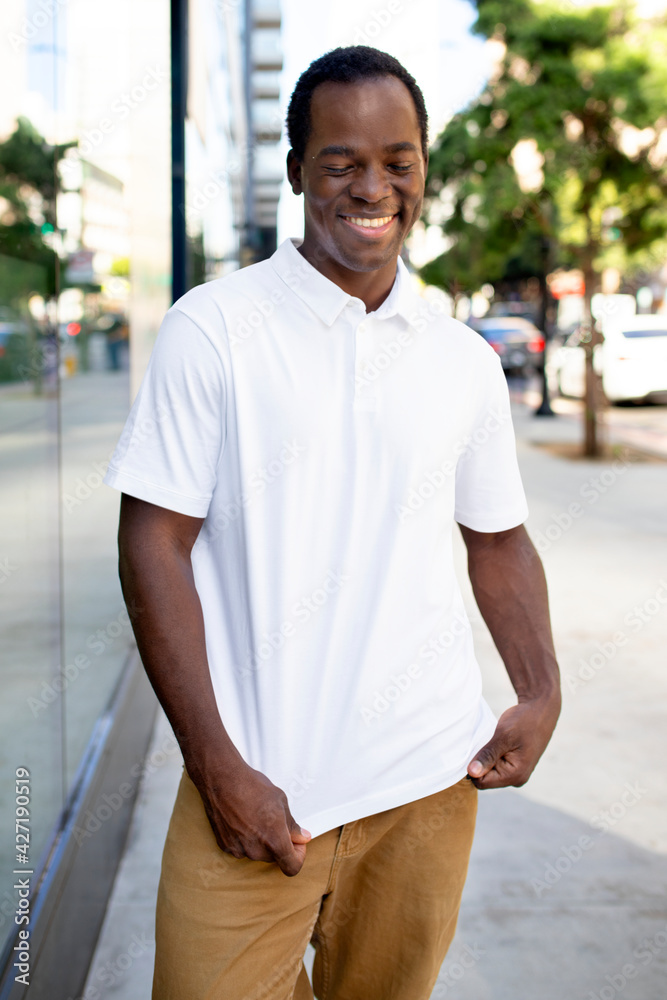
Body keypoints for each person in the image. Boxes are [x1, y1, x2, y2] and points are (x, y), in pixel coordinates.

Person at [105, 45, 561, 1000]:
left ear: (423, 170)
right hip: (253, 788)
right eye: (340, 162)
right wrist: (215, 766)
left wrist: (538, 689)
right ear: (295, 173)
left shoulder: (460, 360)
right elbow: (153, 544)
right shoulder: (214, 328)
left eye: (397, 160)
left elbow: (497, 538)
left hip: (426, 787)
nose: (372, 186)